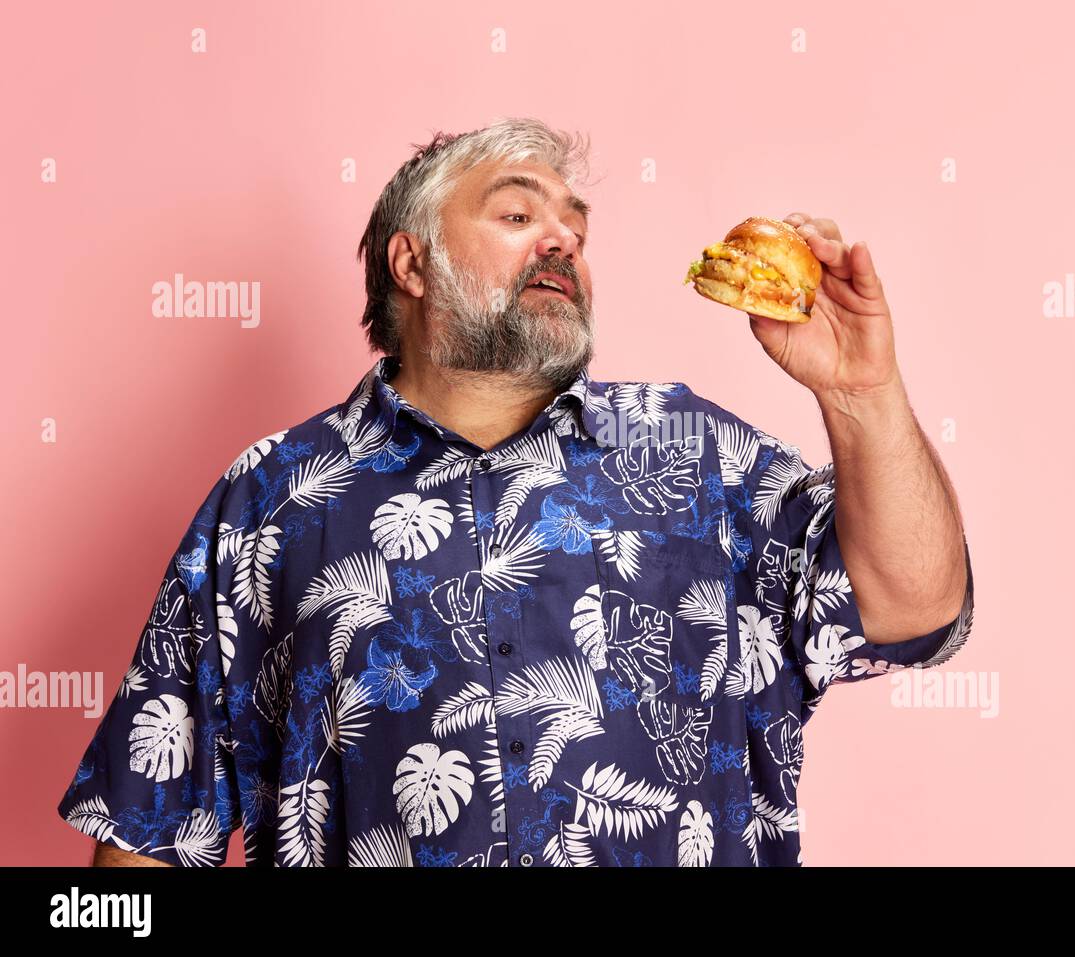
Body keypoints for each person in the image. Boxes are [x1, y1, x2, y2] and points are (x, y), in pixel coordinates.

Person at [56, 116, 974, 867]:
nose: (563, 238)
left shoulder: (698, 454)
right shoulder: (274, 500)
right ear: (410, 266)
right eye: (516, 213)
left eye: (575, 223)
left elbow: (914, 607)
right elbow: (149, 832)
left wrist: (861, 394)